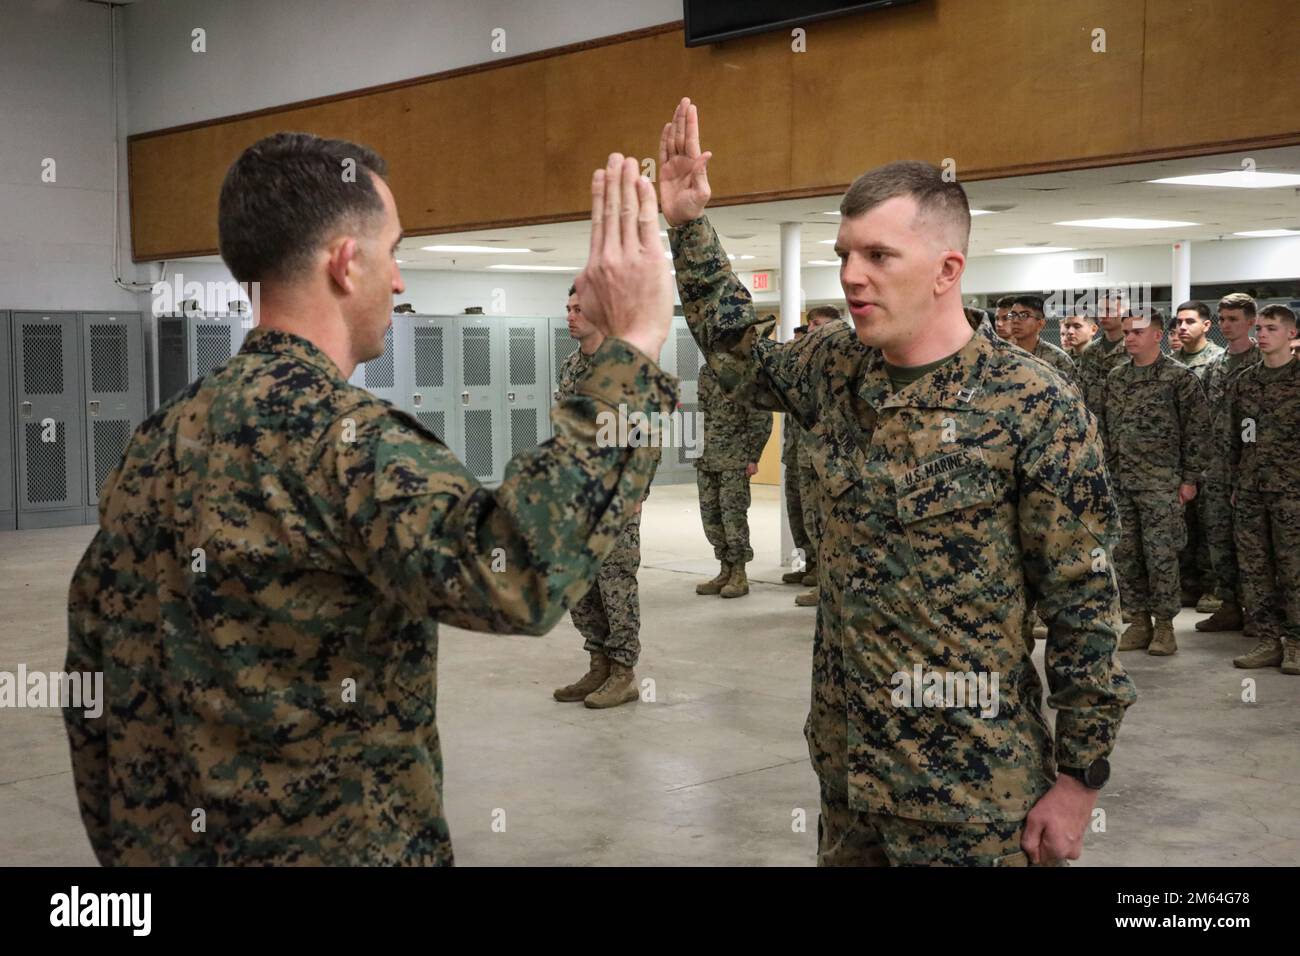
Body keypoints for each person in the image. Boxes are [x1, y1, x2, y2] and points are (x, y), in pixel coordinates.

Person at [62, 135, 677, 865]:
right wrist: (634, 349)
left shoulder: (156, 442)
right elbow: (518, 572)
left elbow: (93, 689)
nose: (399, 282)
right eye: (393, 252)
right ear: (346, 263)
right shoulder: (346, 443)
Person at [660, 97, 1134, 866]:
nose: (851, 276)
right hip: (849, 778)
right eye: (845, 254)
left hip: (972, 796)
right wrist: (688, 227)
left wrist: (1080, 779)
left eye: (879, 256)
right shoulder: (833, 368)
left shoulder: (1033, 400)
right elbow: (735, 350)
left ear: (948, 269)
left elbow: (1082, 602)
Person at [552, 285, 660, 708]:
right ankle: (597, 663)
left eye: (579, 309)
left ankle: (623, 673)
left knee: (615, 585)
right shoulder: (571, 365)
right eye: (568, 308)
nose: (570, 315)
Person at [1101, 309, 1211, 657]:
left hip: (1162, 484)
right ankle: (1138, 622)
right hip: (1122, 483)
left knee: (1161, 556)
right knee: (1127, 555)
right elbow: (1104, 428)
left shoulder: (1179, 378)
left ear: (1157, 335)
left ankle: (1164, 626)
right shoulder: (1116, 378)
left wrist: (1190, 478)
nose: (1129, 337)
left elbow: (1197, 430)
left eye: (1137, 332)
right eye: (1127, 332)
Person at [1226, 305, 1300, 674]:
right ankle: (1269, 640)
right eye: (1259, 328)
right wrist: (1238, 481)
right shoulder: (1246, 382)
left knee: (1294, 569)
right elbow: (1235, 438)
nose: (1262, 334)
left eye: (1271, 328)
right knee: (1254, 569)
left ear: (1291, 333)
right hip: (1252, 489)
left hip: (1293, 492)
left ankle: (1297, 643)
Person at [1197, 293, 1260, 634]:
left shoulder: (1262, 363)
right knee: (1218, 540)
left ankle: (1256, 609)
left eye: (1233, 319)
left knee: (1251, 544)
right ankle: (1230, 605)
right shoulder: (1215, 366)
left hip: (1253, 469)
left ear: (1251, 321)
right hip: (1216, 467)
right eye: (1222, 319)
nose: (1226, 325)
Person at [693, 356, 773, 599]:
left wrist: (753, 456)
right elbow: (701, 410)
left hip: (735, 458)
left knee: (733, 516)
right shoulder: (706, 371)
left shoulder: (745, 370)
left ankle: (739, 573)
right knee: (711, 516)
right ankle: (724, 569)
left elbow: (760, 416)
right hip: (707, 457)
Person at [1172, 300, 1226, 611]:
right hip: (1181, 457)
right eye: (1179, 322)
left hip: (1212, 457)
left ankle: (1212, 588)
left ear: (1206, 325)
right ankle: (1188, 585)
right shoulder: (1171, 363)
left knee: (1211, 525)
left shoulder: (1218, 360)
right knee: (1184, 525)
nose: (1182, 327)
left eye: (1190, 321)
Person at [793, 306, 844, 608]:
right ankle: (821, 578)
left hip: (833, 460)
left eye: (817, 324)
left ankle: (831, 586)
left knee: (830, 525)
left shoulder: (847, 365)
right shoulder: (807, 366)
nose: (811, 328)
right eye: (810, 324)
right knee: (811, 521)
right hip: (806, 456)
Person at [782, 325, 815, 586]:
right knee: (796, 513)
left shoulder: (822, 376)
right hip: (794, 456)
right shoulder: (792, 379)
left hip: (814, 460)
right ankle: (805, 564)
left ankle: (820, 572)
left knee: (814, 515)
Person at [1077, 289, 1130, 417]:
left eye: (1110, 310)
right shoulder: (1090, 351)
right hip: (1093, 424)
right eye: (1100, 310)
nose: (1104, 315)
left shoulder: (1134, 349)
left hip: (1124, 426)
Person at [1007, 295, 1077, 383]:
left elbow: (1071, 394)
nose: (1015, 320)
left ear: (1040, 323)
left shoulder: (1059, 359)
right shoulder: (1001, 354)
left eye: (1024, 315)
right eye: (1012, 315)